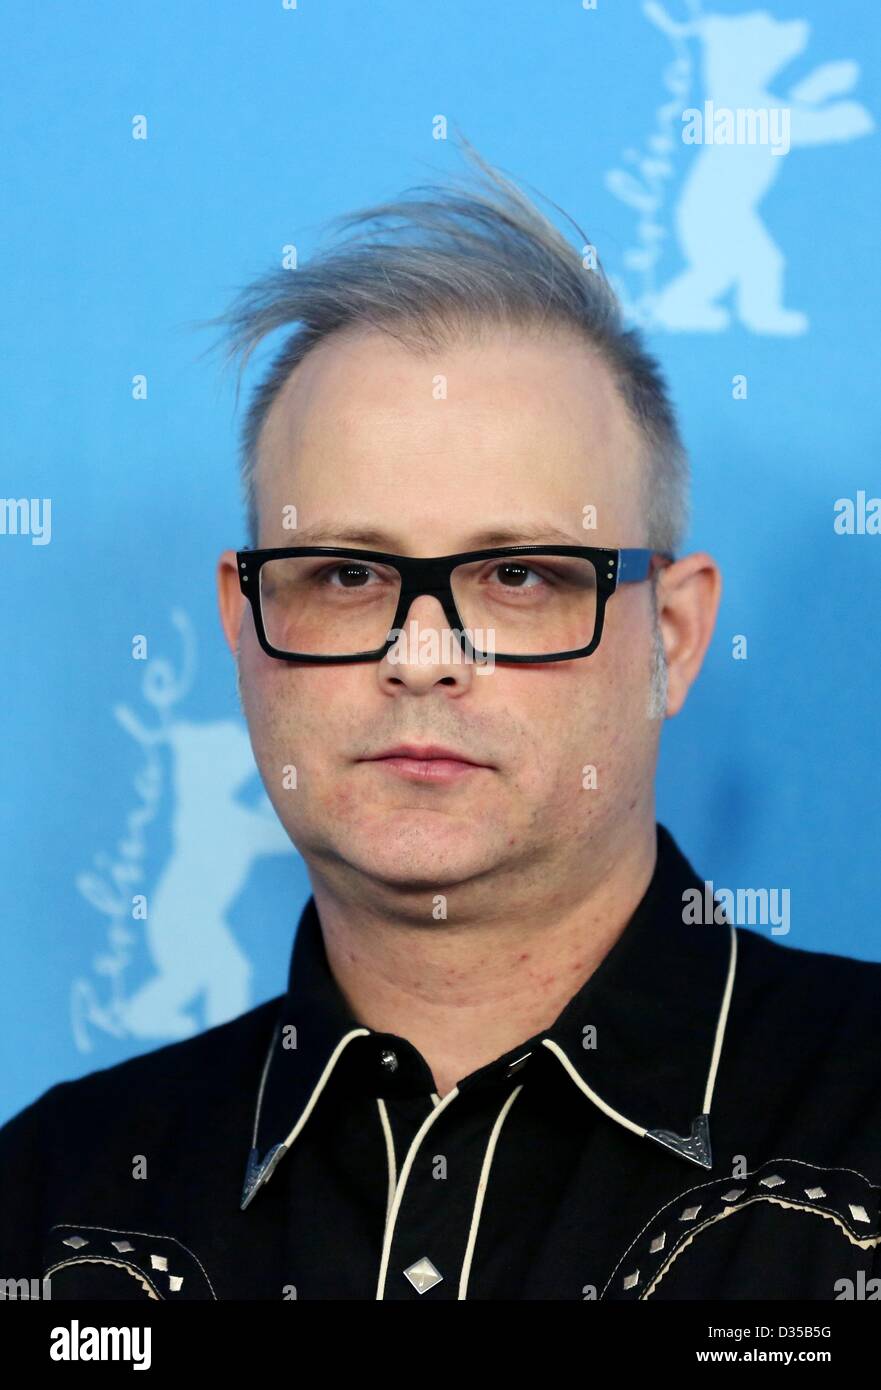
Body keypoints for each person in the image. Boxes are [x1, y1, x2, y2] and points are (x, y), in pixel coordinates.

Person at [2, 145, 880, 1302]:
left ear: (668, 635)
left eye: (518, 575)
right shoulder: (55, 1202)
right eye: (346, 575)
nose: (421, 658)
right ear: (243, 621)